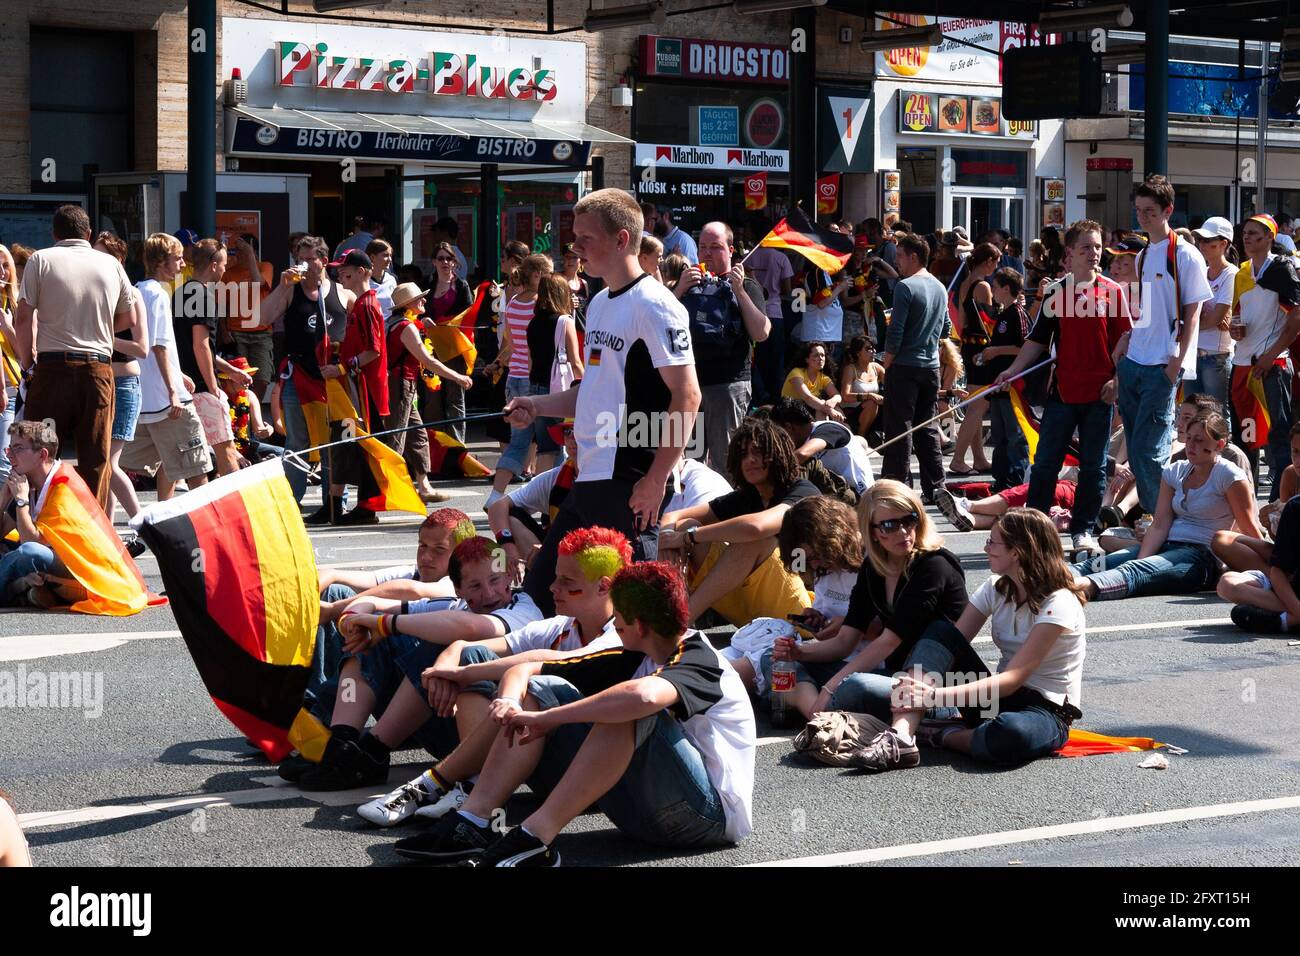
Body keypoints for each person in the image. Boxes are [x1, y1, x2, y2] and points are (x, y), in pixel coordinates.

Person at [394, 561, 754, 866]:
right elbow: (539, 666)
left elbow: (643, 697)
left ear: (640, 625)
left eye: (621, 618)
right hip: (643, 812)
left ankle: (535, 837)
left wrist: (547, 720)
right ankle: (474, 820)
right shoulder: (636, 651)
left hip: (705, 818)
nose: (615, 624)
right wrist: (500, 695)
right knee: (545, 689)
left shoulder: (700, 657)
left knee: (628, 707)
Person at [358, 526, 632, 827]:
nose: (552, 588)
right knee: (467, 653)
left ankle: (446, 783)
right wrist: (453, 656)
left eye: (567, 583)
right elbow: (476, 645)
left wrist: (464, 672)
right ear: (459, 589)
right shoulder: (562, 625)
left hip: (591, 778)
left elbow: (562, 660)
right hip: (535, 756)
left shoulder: (623, 633)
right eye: (555, 578)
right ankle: (460, 782)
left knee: (538, 684)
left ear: (605, 587)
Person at [511, 189, 701, 617]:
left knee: (635, 613)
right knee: (546, 595)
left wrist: (657, 478)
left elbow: (687, 395)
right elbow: (592, 391)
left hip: (630, 480)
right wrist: (537, 405)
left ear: (620, 239)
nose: (575, 248)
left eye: (585, 238)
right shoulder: (598, 303)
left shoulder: (656, 305)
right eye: (574, 237)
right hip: (589, 475)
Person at [283, 536, 545, 790]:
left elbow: (471, 627)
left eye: (495, 580)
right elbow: (372, 601)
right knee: (374, 639)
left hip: (487, 733)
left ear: (509, 577)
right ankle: (342, 746)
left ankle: (370, 754)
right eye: (475, 586)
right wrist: (355, 621)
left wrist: (382, 624)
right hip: (441, 718)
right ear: (459, 590)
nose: (489, 592)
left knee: (438, 643)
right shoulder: (456, 603)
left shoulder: (523, 608)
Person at [838, 508, 1086, 772]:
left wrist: (932, 697)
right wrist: (919, 688)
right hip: (995, 701)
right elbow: (949, 643)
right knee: (938, 632)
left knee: (1011, 733)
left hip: (1045, 711)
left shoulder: (1060, 602)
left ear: (1017, 552)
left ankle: (937, 733)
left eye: (992, 541)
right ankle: (902, 735)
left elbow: (1013, 679)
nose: (986, 547)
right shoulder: (995, 587)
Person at [774, 480, 968, 717]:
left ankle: (813, 711)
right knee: (778, 661)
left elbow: (889, 641)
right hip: (894, 676)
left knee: (856, 686)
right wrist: (798, 653)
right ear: (872, 531)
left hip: (937, 682)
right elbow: (845, 640)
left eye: (910, 520)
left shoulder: (934, 565)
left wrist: (830, 686)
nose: (903, 531)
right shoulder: (874, 568)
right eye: (889, 525)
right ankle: (820, 713)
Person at [995, 219, 1131, 555]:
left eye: (1098, 247)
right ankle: (1037, 528)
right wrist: (1011, 371)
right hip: (1063, 394)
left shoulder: (1113, 292)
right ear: (1069, 254)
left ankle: (1082, 530)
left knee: (1094, 467)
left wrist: (1117, 380)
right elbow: (1037, 341)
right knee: (1044, 464)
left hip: (1100, 395)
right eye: (1086, 247)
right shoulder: (1057, 291)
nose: (1094, 253)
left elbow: (1127, 343)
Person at [12, 204, 133, 510]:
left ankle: (43, 528)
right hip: (97, 370)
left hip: (53, 369)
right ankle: (92, 535)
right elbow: (128, 317)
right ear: (89, 233)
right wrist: (99, 328)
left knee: (40, 454)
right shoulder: (110, 264)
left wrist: (28, 364)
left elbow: (23, 318)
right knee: (96, 459)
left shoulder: (41, 259)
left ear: (54, 233)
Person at [1074, 411, 1263, 601]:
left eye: (1199, 440)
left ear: (1219, 444)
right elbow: (1160, 524)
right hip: (1168, 544)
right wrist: (1142, 556)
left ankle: (1076, 589)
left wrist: (1268, 571)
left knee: (1134, 571)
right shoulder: (1175, 470)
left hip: (1201, 557)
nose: (1191, 445)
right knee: (1099, 563)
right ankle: (1051, 577)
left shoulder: (1229, 475)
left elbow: (1248, 527)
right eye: (1189, 438)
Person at [1113, 176, 1213, 514]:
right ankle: (1155, 518)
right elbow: (1145, 310)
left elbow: (1194, 314)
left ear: (1168, 210)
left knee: (1148, 450)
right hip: (1135, 361)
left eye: (1150, 211)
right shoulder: (1142, 256)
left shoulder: (1186, 254)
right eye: (1139, 211)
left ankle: (1162, 519)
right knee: (1137, 449)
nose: (1142, 217)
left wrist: (1176, 365)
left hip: (1161, 364)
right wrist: (1127, 339)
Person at [656, 416, 813, 627]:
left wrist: (687, 538)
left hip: (802, 612)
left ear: (777, 454)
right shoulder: (746, 496)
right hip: (749, 610)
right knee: (685, 524)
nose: (749, 460)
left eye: (758, 452)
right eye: (743, 454)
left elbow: (755, 528)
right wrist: (668, 540)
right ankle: (671, 606)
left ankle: (677, 623)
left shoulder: (803, 491)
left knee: (754, 541)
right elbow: (673, 517)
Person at [727, 496, 862, 715]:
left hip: (860, 661)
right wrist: (817, 619)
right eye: (807, 560)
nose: (814, 564)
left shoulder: (867, 566)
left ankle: (816, 714)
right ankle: (812, 707)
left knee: (775, 662)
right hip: (832, 654)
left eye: (816, 555)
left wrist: (848, 625)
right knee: (775, 658)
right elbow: (830, 625)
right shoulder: (823, 569)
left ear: (834, 538)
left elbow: (889, 631)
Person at [119, 234, 212, 502]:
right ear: (161, 262)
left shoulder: (136, 290)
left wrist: (178, 373)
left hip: (145, 399)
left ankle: (161, 516)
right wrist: (174, 390)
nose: (183, 264)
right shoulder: (158, 294)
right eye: (178, 258)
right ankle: (205, 524)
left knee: (129, 464)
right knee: (196, 469)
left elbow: (150, 347)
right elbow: (158, 346)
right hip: (166, 400)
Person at [257, 235, 348, 505]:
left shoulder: (342, 292)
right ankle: (291, 502)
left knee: (335, 441)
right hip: (299, 375)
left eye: (311, 259)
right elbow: (262, 318)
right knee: (298, 441)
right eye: (301, 259)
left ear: (324, 261)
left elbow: (362, 329)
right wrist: (283, 286)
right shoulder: (291, 289)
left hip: (332, 379)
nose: (305, 264)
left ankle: (334, 502)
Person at [674, 221, 770, 471]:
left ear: (730, 250)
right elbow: (659, 323)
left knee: (725, 461)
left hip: (728, 385)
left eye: (715, 247)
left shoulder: (746, 285)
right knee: (688, 462)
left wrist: (739, 290)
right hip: (691, 385)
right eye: (702, 246)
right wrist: (679, 288)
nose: (706, 253)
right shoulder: (688, 284)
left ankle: (725, 509)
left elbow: (761, 332)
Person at [310, 249, 389, 526]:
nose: (340, 273)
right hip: (353, 388)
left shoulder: (367, 305)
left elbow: (374, 351)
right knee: (343, 444)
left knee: (361, 447)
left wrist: (342, 367)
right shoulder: (361, 304)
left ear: (363, 272)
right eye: (340, 269)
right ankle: (334, 507)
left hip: (363, 391)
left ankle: (365, 509)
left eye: (347, 269)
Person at [1229, 213, 1300, 501]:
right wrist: (1234, 331)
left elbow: (1296, 317)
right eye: (1245, 233)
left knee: (1277, 432)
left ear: (1270, 237)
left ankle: (1280, 498)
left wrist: (1271, 355)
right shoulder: (1241, 273)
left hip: (1273, 363)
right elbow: (1236, 317)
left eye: (1255, 234)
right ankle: (1246, 492)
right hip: (1242, 362)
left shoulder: (1282, 269)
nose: (1247, 238)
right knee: (1245, 433)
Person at [384, 282, 474, 503]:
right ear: (408, 305)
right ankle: (390, 489)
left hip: (404, 384)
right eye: (420, 299)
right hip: (400, 385)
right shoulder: (405, 327)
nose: (424, 301)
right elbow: (428, 360)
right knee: (396, 438)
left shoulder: (399, 323)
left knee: (418, 435)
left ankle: (424, 486)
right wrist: (458, 377)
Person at [175, 238, 254, 477]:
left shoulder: (182, 292)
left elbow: (196, 345)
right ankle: (234, 511)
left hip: (183, 385)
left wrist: (230, 370)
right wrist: (212, 387)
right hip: (200, 386)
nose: (224, 269)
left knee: (184, 457)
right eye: (223, 264)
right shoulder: (204, 296)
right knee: (226, 451)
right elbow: (200, 345)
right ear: (212, 264)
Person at [880, 234, 949, 501]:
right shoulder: (940, 288)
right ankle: (936, 485)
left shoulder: (905, 287)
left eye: (899, 256)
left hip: (905, 365)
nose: (896, 261)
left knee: (899, 427)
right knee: (927, 426)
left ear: (913, 256)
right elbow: (945, 328)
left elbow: (895, 332)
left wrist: (888, 359)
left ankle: (896, 485)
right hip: (930, 366)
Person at [487, 254, 556, 503]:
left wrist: (500, 362)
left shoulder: (514, 302)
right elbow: (531, 349)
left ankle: (495, 495)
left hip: (513, 377)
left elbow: (513, 344)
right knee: (548, 443)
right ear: (537, 275)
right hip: (531, 377)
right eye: (548, 274)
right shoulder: (540, 305)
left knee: (518, 442)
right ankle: (544, 498)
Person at [92, 233, 148, 529]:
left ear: (119, 260)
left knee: (109, 464)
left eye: (103, 256)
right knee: (105, 464)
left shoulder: (132, 294)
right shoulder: (97, 291)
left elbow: (142, 348)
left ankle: (142, 524)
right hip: (101, 382)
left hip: (124, 384)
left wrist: (104, 338)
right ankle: (108, 527)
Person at [950, 243, 1001, 476]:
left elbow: (961, 319)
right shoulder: (983, 286)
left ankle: (979, 458)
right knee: (978, 407)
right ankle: (958, 459)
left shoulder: (965, 283)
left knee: (975, 405)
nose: (997, 267)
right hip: (981, 348)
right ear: (989, 261)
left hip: (969, 346)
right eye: (996, 262)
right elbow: (991, 324)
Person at [1223, 485, 1300, 634]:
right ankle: (1291, 619)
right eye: (1294, 458)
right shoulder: (1296, 507)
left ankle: (1286, 621)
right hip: (1293, 590)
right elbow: (1278, 572)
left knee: (1243, 613)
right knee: (1227, 584)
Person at [980, 267, 1031, 491]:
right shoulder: (1003, 313)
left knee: (1015, 436)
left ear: (1006, 288)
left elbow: (1023, 348)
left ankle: (1016, 480)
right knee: (999, 436)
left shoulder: (1018, 313)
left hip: (1013, 386)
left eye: (996, 286)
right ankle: (1000, 480)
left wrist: (997, 351)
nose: (992, 290)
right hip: (998, 386)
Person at [421, 241, 474, 444]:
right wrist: (422, 319)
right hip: (430, 348)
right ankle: (435, 447)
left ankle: (456, 449)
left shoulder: (461, 286)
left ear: (455, 262)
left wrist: (450, 323)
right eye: (441, 258)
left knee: (454, 397)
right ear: (434, 262)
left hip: (453, 349)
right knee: (432, 398)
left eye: (449, 258)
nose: (445, 262)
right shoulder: (427, 285)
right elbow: (415, 312)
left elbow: (469, 317)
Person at [770, 398, 873, 498]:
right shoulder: (805, 440)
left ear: (789, 427)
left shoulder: (828, 428)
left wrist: (769, 472)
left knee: (806, 465)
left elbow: (803, 454)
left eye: (779, 433)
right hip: (839, 493)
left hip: (859, 495)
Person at [525, 274, 584, 448]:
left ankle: (545, 475)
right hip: (559, 389)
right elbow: (575, 362)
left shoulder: (533, 323)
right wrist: (586, 386)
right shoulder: (565, 321)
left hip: (536, 385)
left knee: (546, 446)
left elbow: (530, 360)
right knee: (561, 444)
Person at [1189, 217, 1239, 414]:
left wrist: (1192, 323)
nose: (1202, 244)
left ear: (1223, 244)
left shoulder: (1232, 274)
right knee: (1193, 413)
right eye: (1200, 240)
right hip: (1194, 352)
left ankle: (1223, 446)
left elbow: (1217, 317)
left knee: (1216, 414)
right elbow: (1192, 310)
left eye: (1208, 241)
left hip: (1217, 356)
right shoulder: (1202, 270)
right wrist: (1201, 318)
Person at [222, 234, 276, 400]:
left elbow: (259, 282)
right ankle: (241, 411)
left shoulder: (265, 266)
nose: (239, 253)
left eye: (243, 249)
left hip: (262, 332)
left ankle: (255, 410)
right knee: (237, 378)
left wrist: (250, 255)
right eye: (237, 250)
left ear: (254, 251)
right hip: (237, 332)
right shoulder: (228, 274)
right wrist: (224, 331)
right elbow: (221, 306)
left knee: (263, 378)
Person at [745, 228, 794, 406]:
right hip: (775, 312)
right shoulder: (781, 258)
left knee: (756, 359)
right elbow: (788, 289)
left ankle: (760, 395)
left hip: (754, 313)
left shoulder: (749, 257)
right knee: (777, 359)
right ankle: (777, 398)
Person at [782, 341, 844, 421]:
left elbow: (838, 396)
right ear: (807, 359)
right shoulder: (796, 373)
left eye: (823, 355)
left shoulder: (823, 377)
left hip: (808, 410)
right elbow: (808, 398)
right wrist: (829, 410)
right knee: (821, 407)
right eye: (816, 355)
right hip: (790, 412)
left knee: (832, 406)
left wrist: (832, 401)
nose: (821, 358)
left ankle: (845, 428)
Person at [0, 245, 20, 486]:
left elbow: (27, 352)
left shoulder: (15, 304)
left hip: (13, 389)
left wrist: (7, 327)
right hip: (4, 390)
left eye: (6, 265)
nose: (2, 272)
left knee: (6, 460)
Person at [838, 335, 885, 437]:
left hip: (871, 413)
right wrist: (869, 395)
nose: (874, 351)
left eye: (873, 348)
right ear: (858, 353)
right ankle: (860, 437)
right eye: (869, 349)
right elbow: (845, 396)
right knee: (872, 403)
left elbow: (892, 385)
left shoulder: (876, 367)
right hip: (851, 413)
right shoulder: (850, 369)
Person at [366, 238, 397, 317]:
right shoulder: (362, 281)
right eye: (385, 255)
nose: (390, 259)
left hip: (390, 326)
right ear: (372, 257)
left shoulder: (392, 279)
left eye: (390, 256)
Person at [433, 217, 469, 282]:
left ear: (445, 232)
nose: (434, 234)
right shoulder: (458, 254)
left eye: (436, 231)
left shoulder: (446, 254)